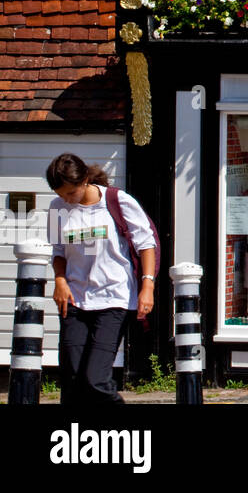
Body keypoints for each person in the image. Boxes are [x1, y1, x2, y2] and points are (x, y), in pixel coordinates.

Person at [46, 154, 156, 404]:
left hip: (113, 297)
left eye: (70, 193)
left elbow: (146, 243)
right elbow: (59, 251)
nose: (66, 199)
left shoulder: (117, 201)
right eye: (61, 194)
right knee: (72, 377)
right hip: (75, 299)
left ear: (85, 180)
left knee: (95, 378)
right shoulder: (57, 207)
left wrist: (147, 286)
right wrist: (60, 281)